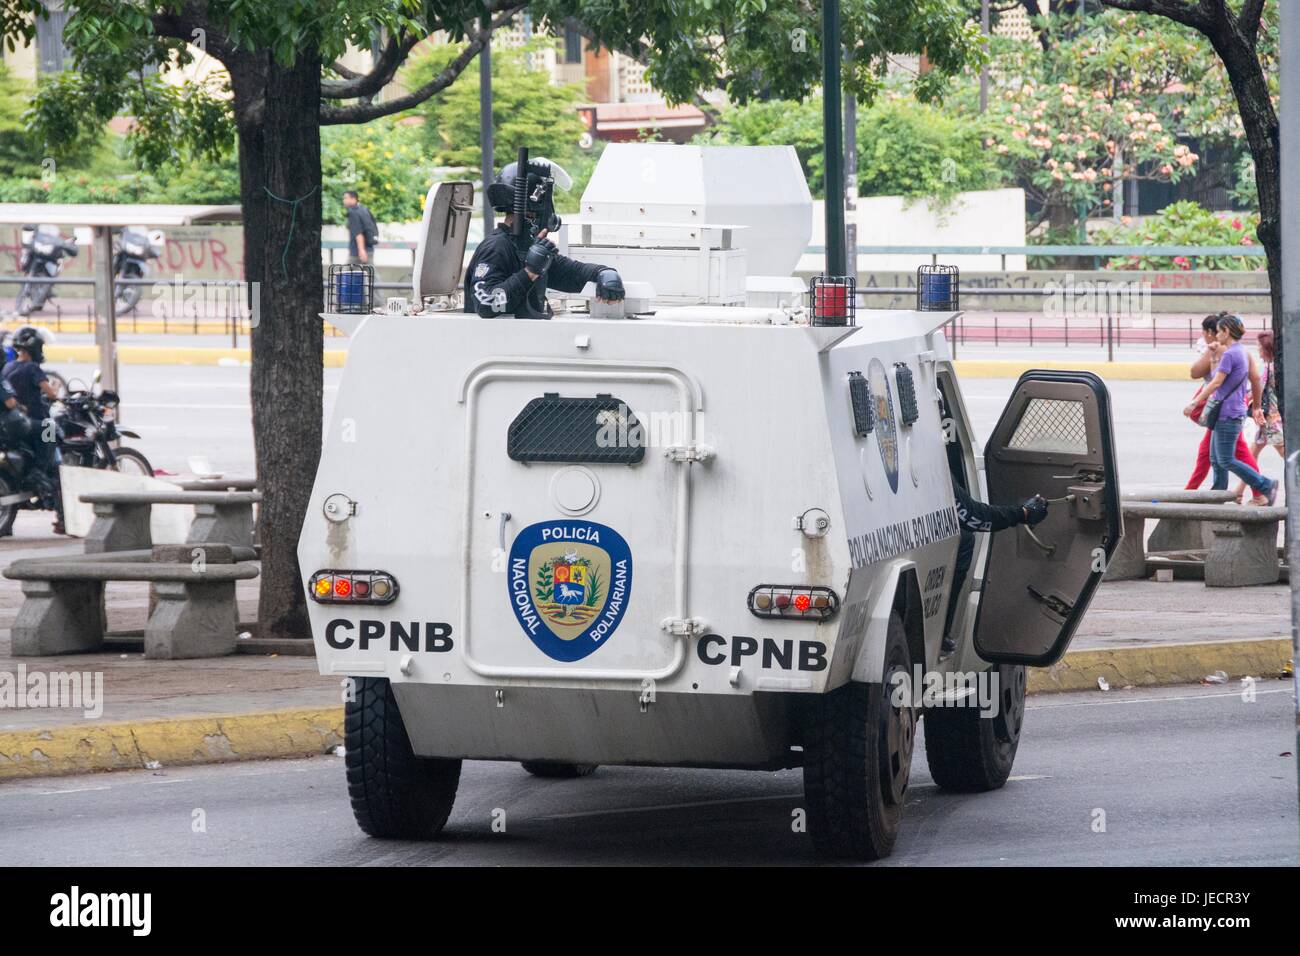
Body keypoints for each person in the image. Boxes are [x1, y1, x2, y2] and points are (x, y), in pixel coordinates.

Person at [464, 158, 624, 319]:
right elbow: (485, 304)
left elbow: (571, 273)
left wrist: (604, 273)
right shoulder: (497, 247)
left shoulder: (527, 249)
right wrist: (529, 273)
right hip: (495, 340)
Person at [940, 479, 1049, 656]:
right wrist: (1024, 513)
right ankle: (941, 632)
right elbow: (973, 516)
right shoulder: (929, 458)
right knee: (965, 539)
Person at [1183, 313, 1278, 504]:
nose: (1216, 335)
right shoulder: (1241, 352)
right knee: (1215, 459)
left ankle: (1265, 485)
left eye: (1218, 331)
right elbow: (1252, 380)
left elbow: (1216, 382)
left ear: (1226, 332)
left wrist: (1195, 402)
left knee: (1225, 460)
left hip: (1227, 414)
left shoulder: (1230, 354)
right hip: (1229, 413)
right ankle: (1218, 495)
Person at [1, 326, 65, 533]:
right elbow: (51, 393)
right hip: (31, 423)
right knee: (52, 429)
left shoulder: (9, 367)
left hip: (15, 426)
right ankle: (39, 470)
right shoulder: (32, 368)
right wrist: (55, 389)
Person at [1235, 330, 1285, 502]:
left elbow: (1260, 389)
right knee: (1251, 455)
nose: (1258, 350)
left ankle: (1247, 493)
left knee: (1287, 455)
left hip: (1271, 420)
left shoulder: (1272, 368)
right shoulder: (1273, 366)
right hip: (1266, 420)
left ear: (1267, 348)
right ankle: (1239, 493)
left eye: (1259, 347)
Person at [342, 190, 378, 265]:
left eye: (345, 198)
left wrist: (361, 250)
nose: (344, 201)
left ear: (353, 199)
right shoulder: (364, 209)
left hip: (357, 252)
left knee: (346, 274)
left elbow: (358, 233)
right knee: (370, 274)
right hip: (369, 248)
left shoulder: (353, 212)